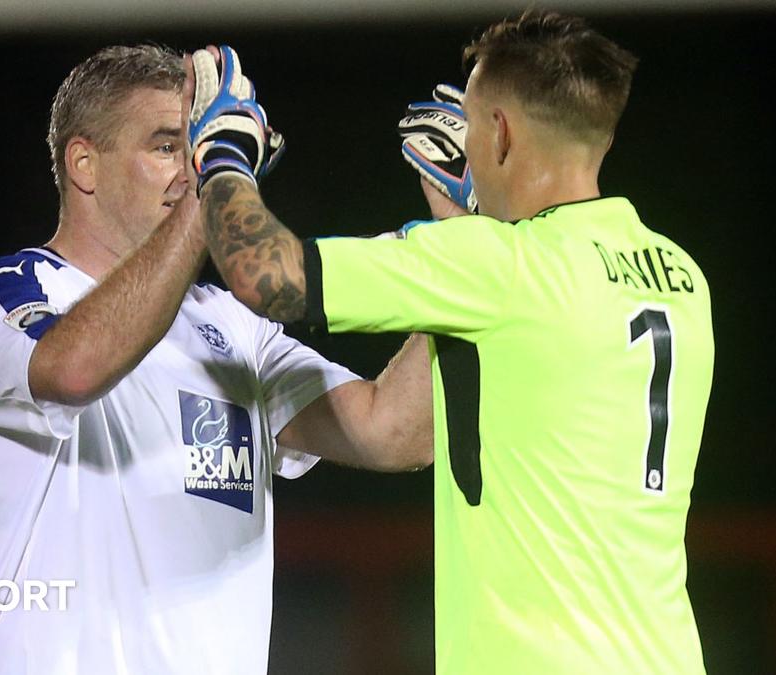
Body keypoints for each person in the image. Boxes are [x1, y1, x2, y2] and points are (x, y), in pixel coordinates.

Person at [189, 11, 714, 674]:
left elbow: (266, 273)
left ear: (498, 134)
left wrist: (225, 149)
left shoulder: (494, 264)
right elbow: (533, 365)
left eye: (468, 119)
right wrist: (476, 215)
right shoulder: (682, 276)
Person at [0, 44, 431, 675]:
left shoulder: (232, 324)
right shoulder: (10, 290)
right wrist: (219, 180)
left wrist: (465, 250)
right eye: (168, 146)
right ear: (84, 164)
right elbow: (75, 369)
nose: (191, 167)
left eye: (198, 143)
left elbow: (394, 432)